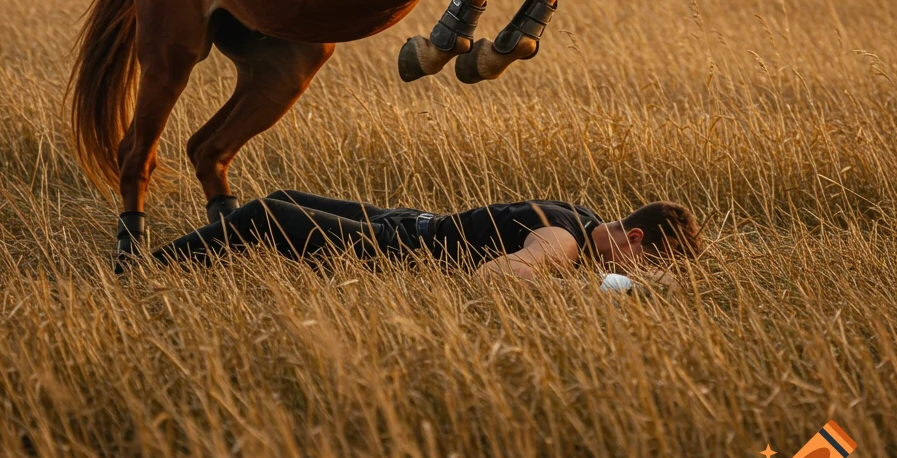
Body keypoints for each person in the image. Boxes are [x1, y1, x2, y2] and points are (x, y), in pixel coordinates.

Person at [148, 189, 701, 281]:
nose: (632, 275)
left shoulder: (584, 219)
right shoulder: (566, 242)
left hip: (408, 236)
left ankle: (145, 268)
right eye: (644, 266)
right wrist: (604, 290)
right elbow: (498, 278)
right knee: (277, 206)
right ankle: (154, 270)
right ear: (632, 238)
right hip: (400, 238)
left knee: (268, 212)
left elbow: (490, 274)